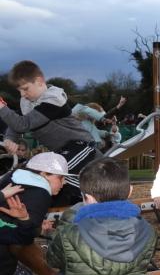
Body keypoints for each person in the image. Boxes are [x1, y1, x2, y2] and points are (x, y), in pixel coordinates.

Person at [0, 60, 100, 205]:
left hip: (81, 145)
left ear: (39, 81)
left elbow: (23, 125)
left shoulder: (54, 99)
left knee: (49, 175)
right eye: (19, 91)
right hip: (61, 151)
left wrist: (2, 107)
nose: (23, 94)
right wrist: (10, 138)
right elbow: (16, 125)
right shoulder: (26, 101)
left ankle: (96, 198)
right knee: (24, 172)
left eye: (26, 89)